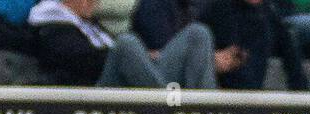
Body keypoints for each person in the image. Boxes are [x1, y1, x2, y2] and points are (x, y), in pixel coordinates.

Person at [29, 0, 218, 87]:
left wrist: (140, 59)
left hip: (136, 83)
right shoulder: (49, 25)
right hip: (94, 94)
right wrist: (131, 57)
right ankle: (168, 109)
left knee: (198, 34)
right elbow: (84, 61)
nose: (95, 2)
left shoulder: (89, 23)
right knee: (127, 43)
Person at [200, 0, 308, 89]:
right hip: (217, 93)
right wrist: (210, 60)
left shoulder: (269, 14)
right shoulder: (216, 9)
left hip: (251, 94)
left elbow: (292, 61)